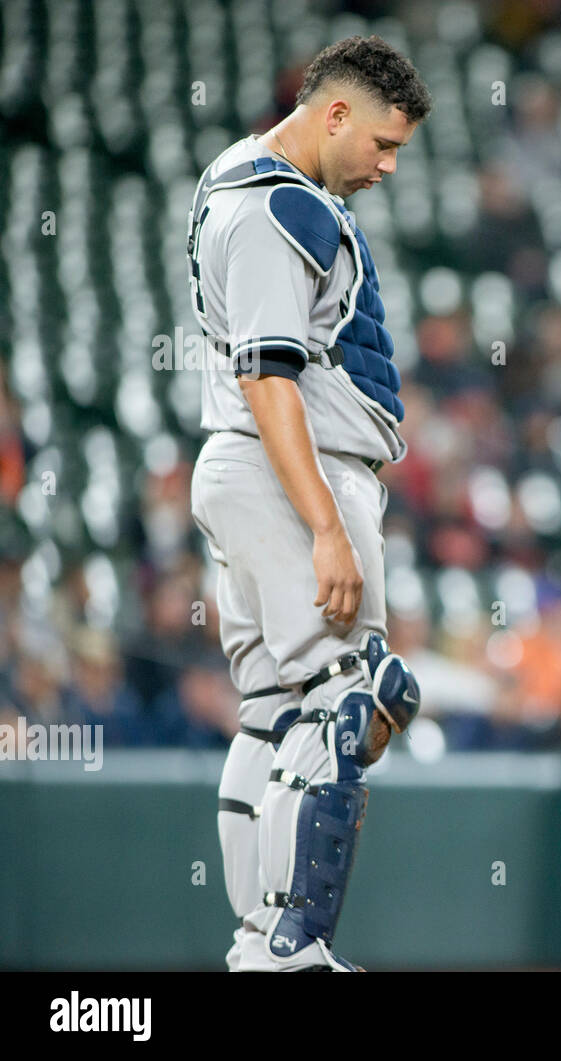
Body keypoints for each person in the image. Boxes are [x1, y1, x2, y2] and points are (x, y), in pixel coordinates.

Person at [187, 36, 431, 971]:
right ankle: (292, 947)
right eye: (382, 142)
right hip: (288, 470)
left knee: (274, 712)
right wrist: (326, 522)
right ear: (333, 114)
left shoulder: (250, 180)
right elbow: (269, 379)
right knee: (349, 696)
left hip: (258, 468)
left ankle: (259, 942)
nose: (388, 164)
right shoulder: (276, 207)